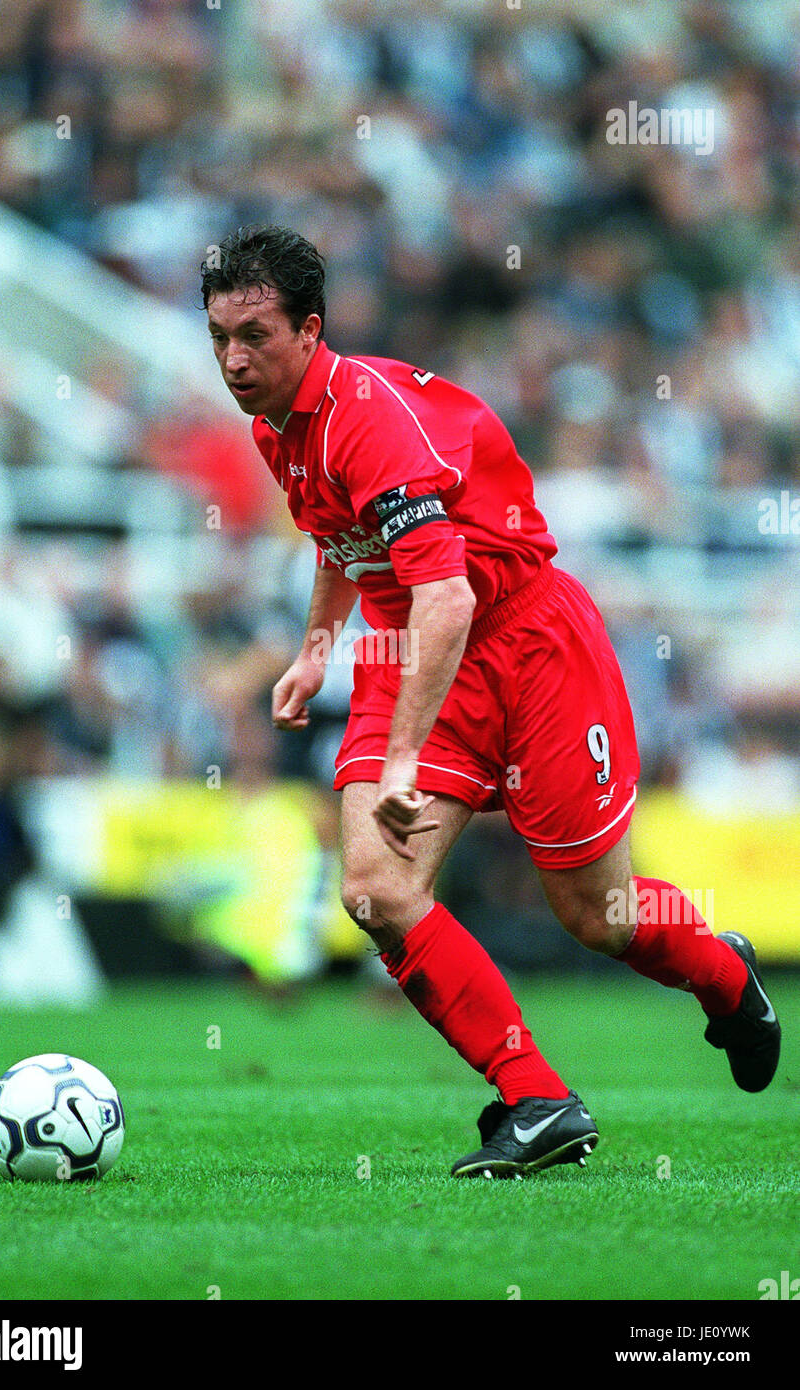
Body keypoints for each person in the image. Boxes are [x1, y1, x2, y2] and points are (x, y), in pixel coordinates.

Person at [200, 225, 781, 1179]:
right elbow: (339, 538)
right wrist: (314, 653)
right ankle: (536, 1099)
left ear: (309, 331)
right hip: (416, 648)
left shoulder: (368, 417)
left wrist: (398, 758)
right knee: (376, 890)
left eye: (254, 335)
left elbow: (450, 593)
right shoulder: (276, 428)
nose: (233, 359)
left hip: (525, 642)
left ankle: (725, 977)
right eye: (220, 336)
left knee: (596, 915)